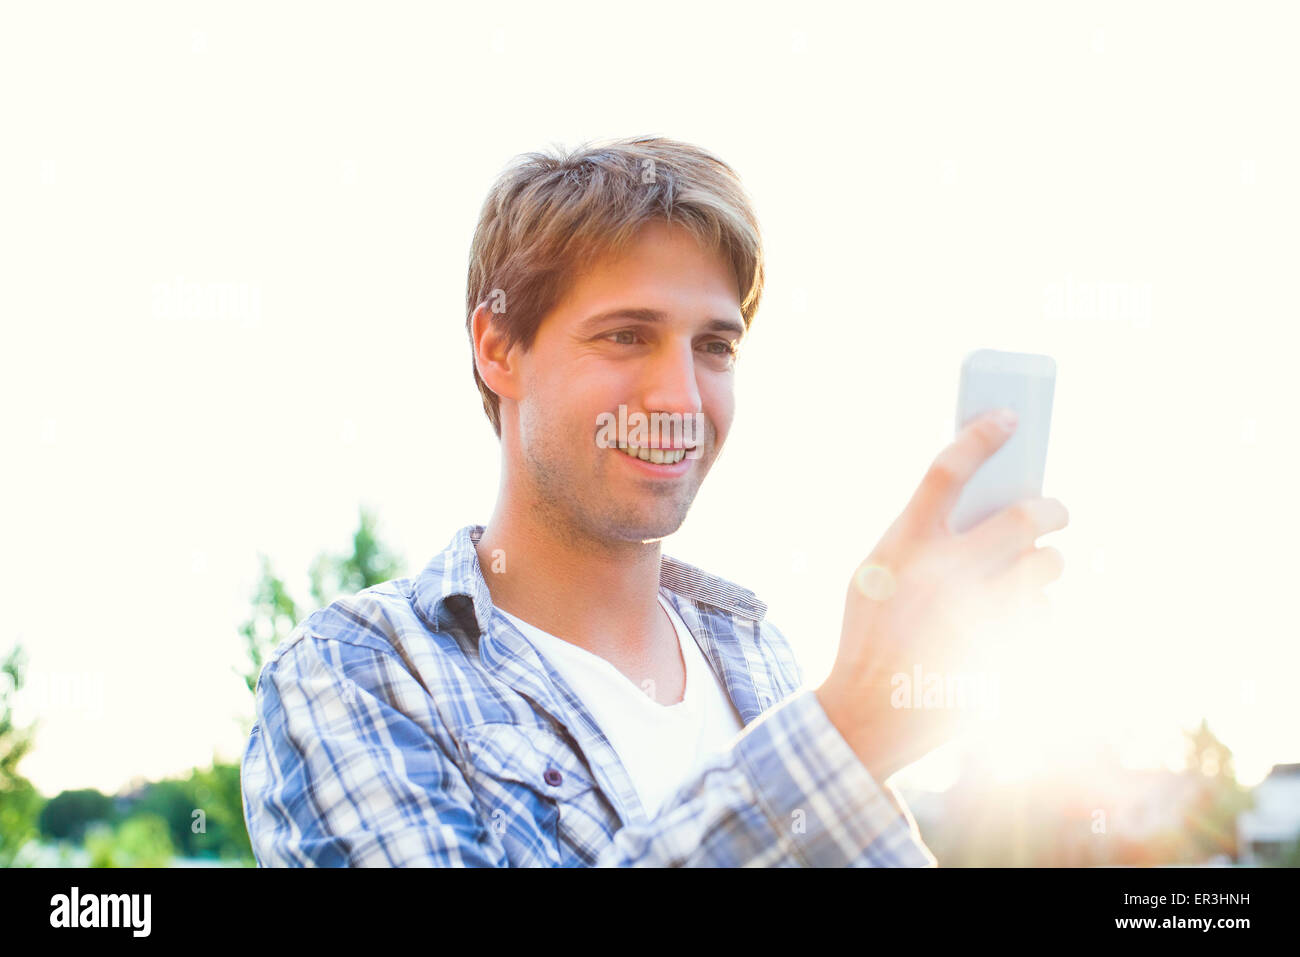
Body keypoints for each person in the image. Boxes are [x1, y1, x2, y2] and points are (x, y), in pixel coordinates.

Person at [240, 135, 1069, 866]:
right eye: (626, 335)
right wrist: (843, 737)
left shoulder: (759, 660)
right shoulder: (357, 672)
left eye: (714, 346)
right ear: (499, 349)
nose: (680, 397)